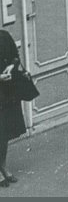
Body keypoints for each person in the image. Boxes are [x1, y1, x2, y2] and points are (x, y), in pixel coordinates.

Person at [0, 30, 25, 188]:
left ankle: (3, 166)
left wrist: (11, 67)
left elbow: (16, 57)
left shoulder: (4, 35)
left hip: (7, 93)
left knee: (5, 133)